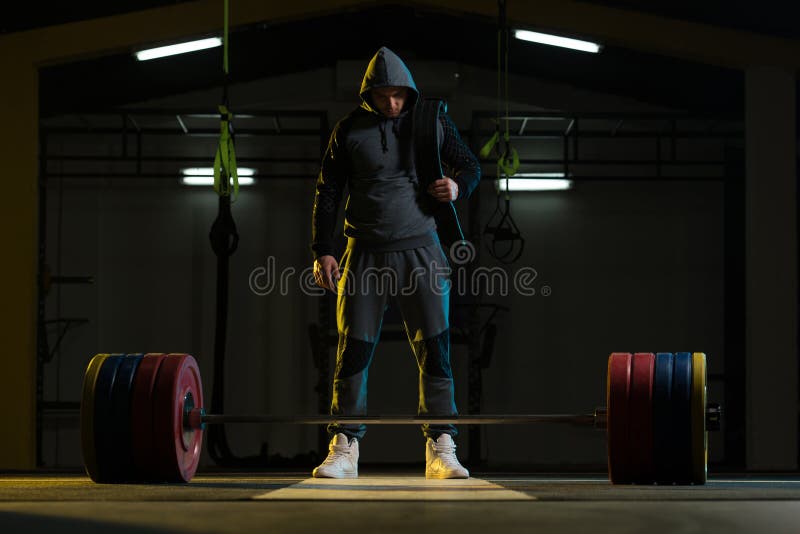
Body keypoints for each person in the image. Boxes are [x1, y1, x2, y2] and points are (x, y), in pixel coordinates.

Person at [310, 46, 481, 479]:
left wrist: (457, 188)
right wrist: (323, 250)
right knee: (353, 349)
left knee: (435, 348)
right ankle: (344, 445)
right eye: (384, 95)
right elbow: (328, 191)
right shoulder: (348, 129)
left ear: (409, 92)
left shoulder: (431, 120)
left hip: (422, 250)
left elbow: (469, 166)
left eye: (399, 95)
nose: (392, 104)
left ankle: (441, 444)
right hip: (363, 251)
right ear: (369, 93)